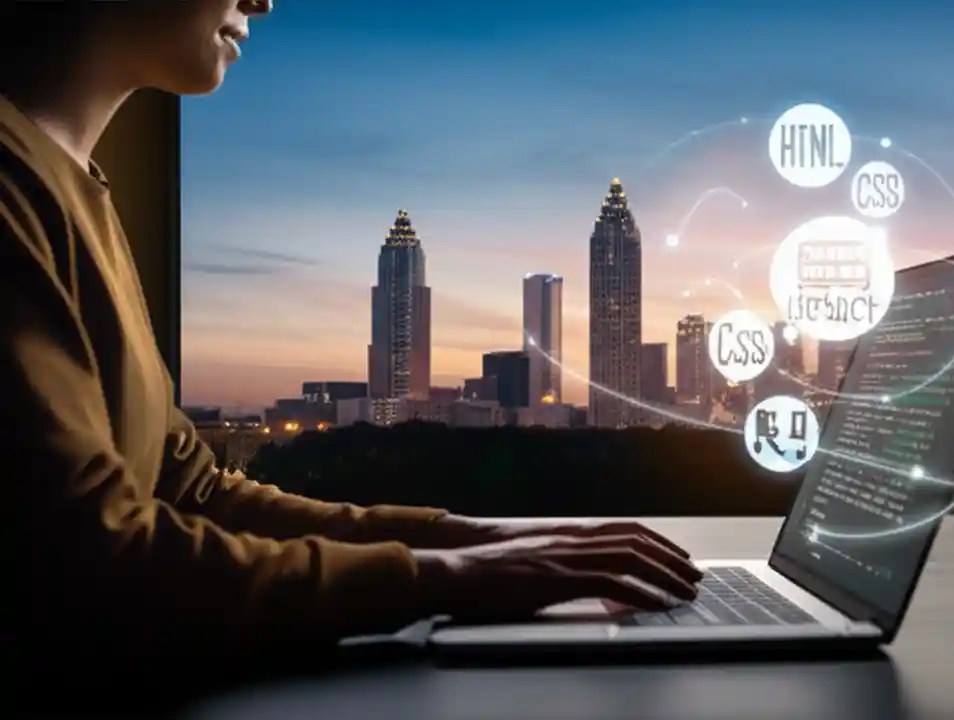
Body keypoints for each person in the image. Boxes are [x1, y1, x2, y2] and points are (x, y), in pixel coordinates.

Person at [1, 0, 701, 674]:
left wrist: (472, 537)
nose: (262, 1)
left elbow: (192, 489)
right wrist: (447, 576)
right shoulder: (11, 191)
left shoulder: (65, 181)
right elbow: (90, 564)